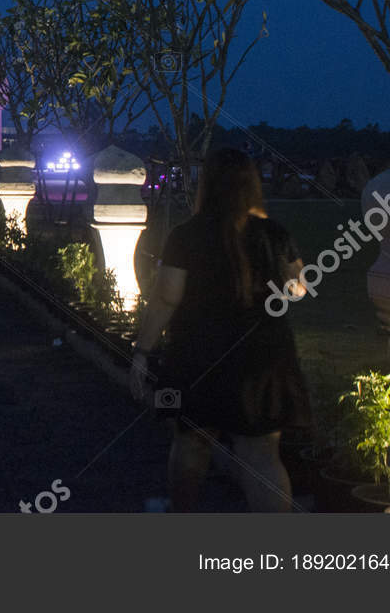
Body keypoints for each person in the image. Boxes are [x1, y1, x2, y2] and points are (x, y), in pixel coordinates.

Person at [130, 147, 311, 512]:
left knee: (191, 440)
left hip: (198, 354)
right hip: (262, 354)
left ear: (207, 185)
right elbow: (300, 287)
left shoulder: (186, 235)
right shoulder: (273, 234)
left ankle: (182, 514)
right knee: (262, 454)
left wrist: (142, 351)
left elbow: (166, 298)